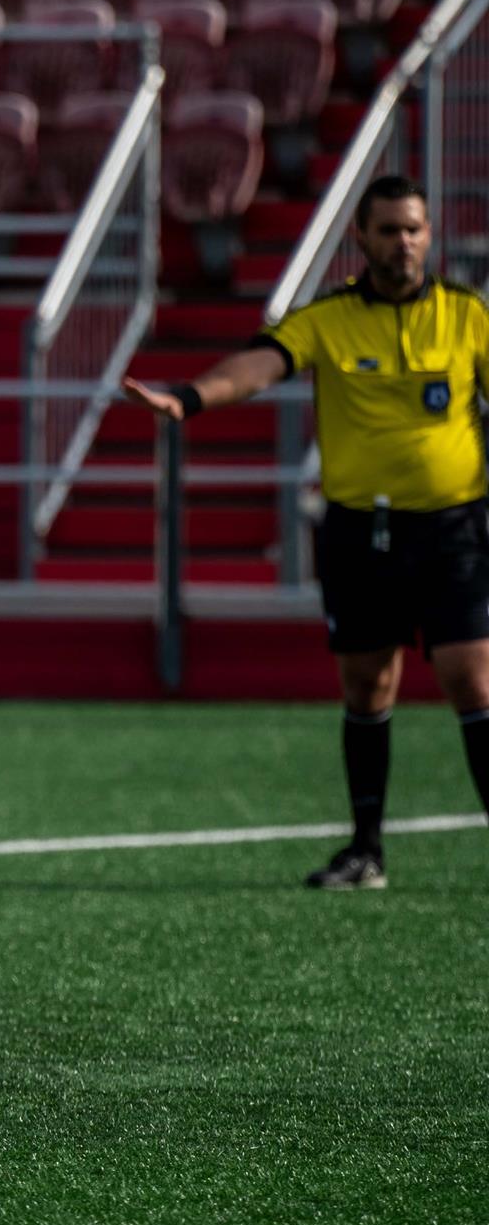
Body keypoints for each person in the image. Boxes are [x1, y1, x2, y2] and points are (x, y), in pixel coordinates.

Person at [124, 174, 489, 891]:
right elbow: (260, 365)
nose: (403, 242)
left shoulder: (467, 316)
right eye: (389, 230)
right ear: (363, 237)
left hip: (454, 529)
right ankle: (365, 851)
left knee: (470, 675)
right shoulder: (329, 318)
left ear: (429, 235)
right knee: (365, 684)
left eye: (414, 229)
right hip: (361, 530)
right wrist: (189, 398)